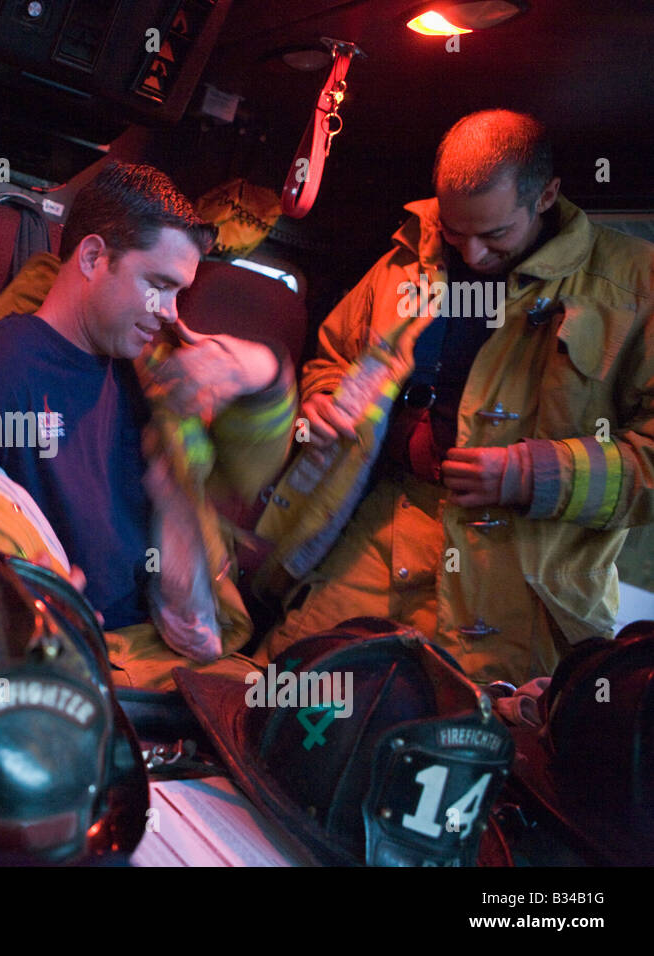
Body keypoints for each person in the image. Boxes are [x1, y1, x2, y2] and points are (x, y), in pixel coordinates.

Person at [0, 162, 296, 687]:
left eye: (181, 291)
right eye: (159, 284)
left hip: (163, 654)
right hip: (70, 662)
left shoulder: (147, 374)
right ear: (91, 257)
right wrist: (15, 589)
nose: (172, 312)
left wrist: (262, 372)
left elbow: (250, 473)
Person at [257, 109, 654, 684]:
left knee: (481, 737)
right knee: (289, 692)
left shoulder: (634, 286)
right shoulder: (405, 261)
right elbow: (334, 358)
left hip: (525, 573)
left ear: (546, 196)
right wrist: (323, 398)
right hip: (386, 528)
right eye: (453, 230)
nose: (471, 255)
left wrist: (532, 475)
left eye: (494, 235)